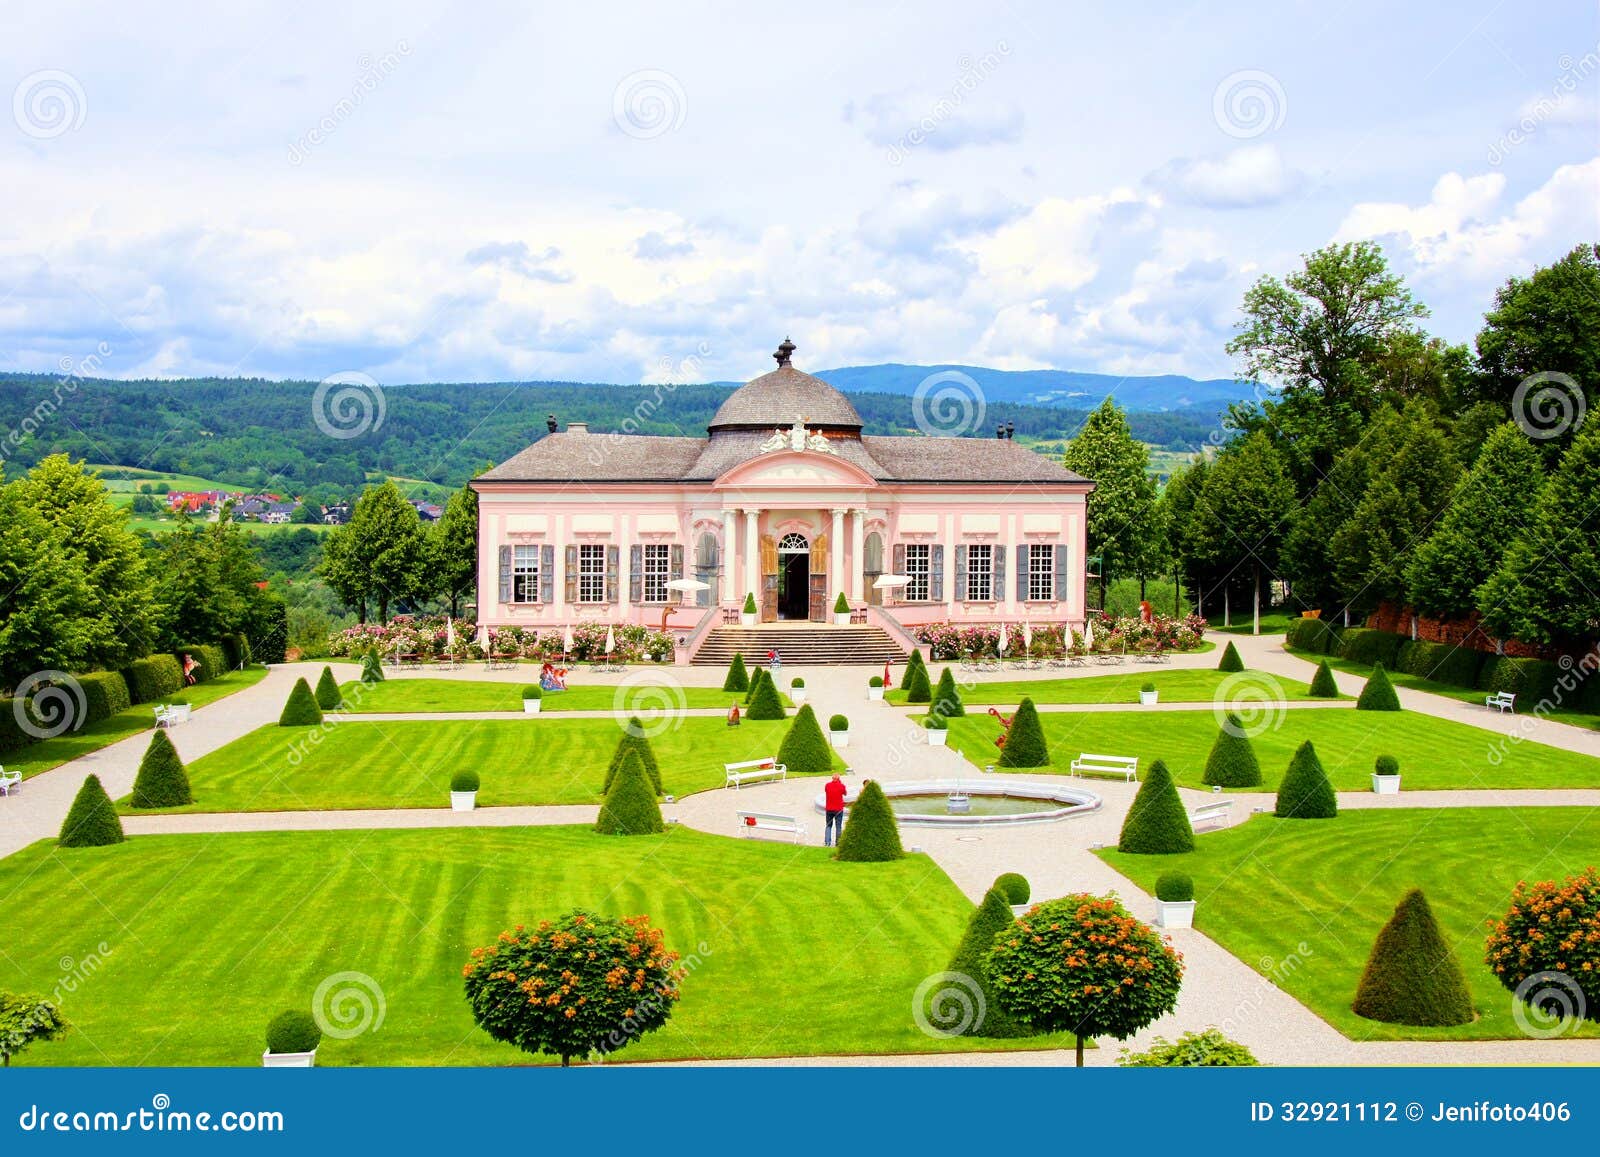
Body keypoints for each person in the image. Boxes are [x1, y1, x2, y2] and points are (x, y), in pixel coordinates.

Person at [823, 773, 847, 847]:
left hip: (829, 809)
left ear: (832, 778)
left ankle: (827, 842)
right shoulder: (841, 786)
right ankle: (838, 843)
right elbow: (845, 793)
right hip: (838, 809)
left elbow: (826, 791)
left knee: (828, 825)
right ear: (839, 778)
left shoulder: (827, 785)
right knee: (838, 826)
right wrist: (840, 783)